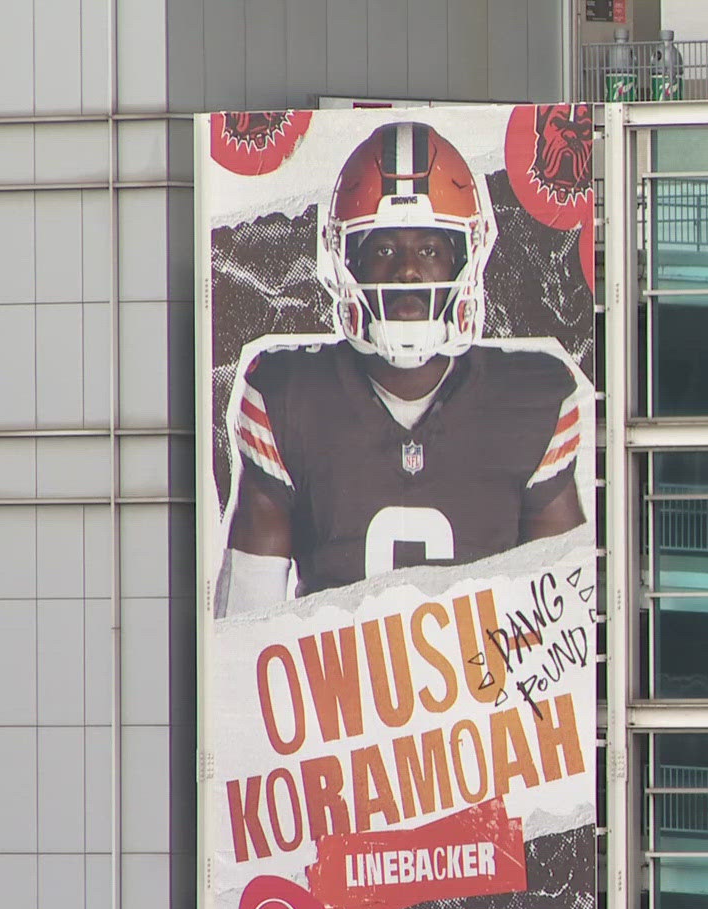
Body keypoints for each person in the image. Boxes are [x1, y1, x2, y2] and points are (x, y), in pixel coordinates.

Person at [216, 120, 589, 616]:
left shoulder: (532, 402)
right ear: (346, 260)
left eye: (431, 250)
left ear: (466, 259)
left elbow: (560, 628)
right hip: (332, 689)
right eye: (384, 249)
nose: (408, 271)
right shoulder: (288, 399)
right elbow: (247, 630)